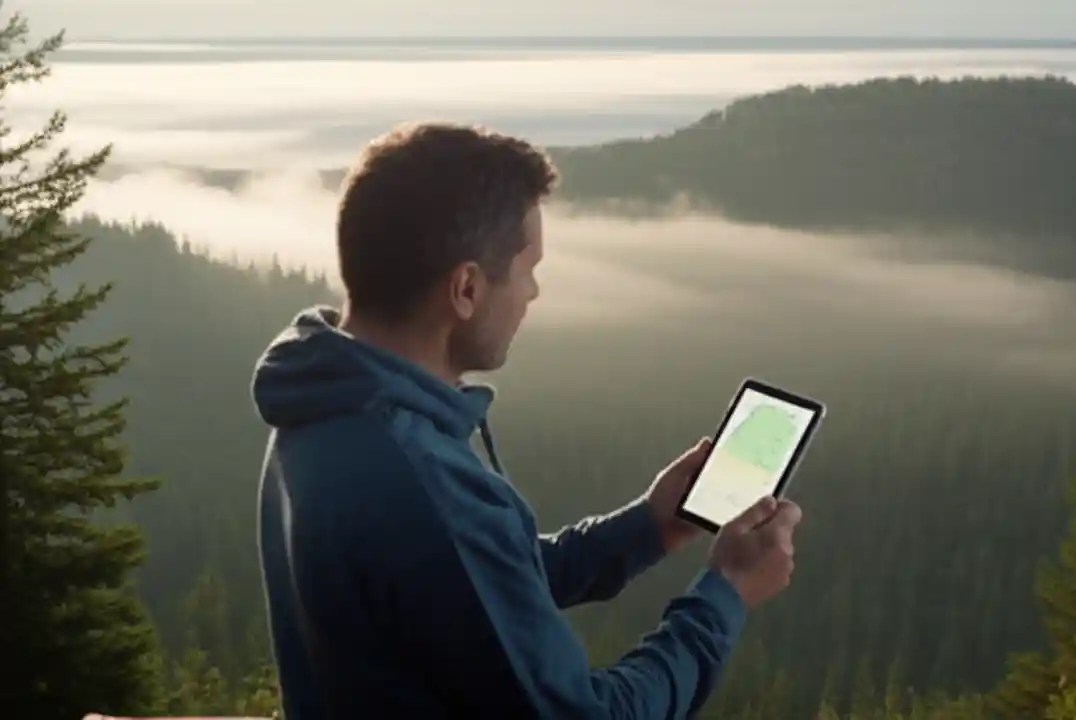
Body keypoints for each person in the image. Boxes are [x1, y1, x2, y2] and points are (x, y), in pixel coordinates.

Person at [251, 122, 804, 719]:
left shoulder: (320, 399)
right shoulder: (418, 476)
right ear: (465, 288)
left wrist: (649, 526)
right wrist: (728, 595)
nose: (535, 292)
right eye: (528, 268)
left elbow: (473, 583)